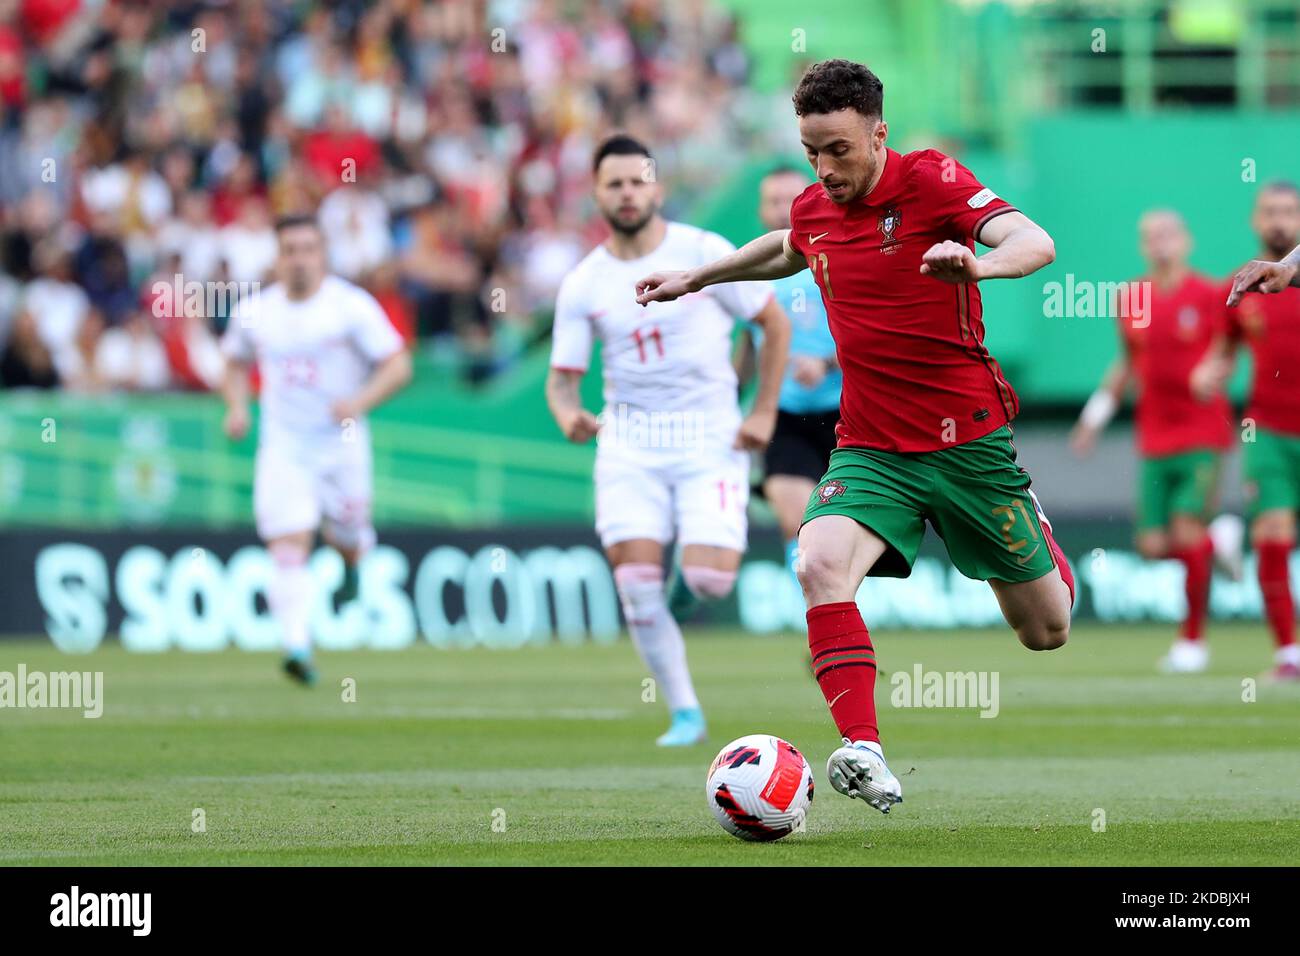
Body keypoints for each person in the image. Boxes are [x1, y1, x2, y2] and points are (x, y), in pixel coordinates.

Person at [634, 60, 1073, 813]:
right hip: (870, 447)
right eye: (811, 150)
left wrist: (980, 263)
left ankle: (1033, 526)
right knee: (817, 563)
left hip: (967, 444)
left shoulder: (932, 180)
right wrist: (699, 279)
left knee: (1046, 630)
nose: (824, 167)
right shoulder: (815, 207)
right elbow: (785, 247)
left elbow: (1036, 241)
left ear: (879, 133)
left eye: (838, 149)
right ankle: (864, 748)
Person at [545, 134, 791, 747]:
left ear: (656, 188)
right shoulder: (584, 283)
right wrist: (568, 412)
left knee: (710, 581)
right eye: (614, 184)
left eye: (638, 181)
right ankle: (685, 711)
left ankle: (681, 597)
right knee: (634, 585)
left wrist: (761, 411)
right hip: (629, 440)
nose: (628, 194)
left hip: (708, 434)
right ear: (596, 193)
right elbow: (561, 381)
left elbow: (771, 322)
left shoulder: (703, 252)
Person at [221, 214, 412, 685]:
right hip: (284, 447)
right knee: (289, 539)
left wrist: (359, 402)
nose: (299, 260)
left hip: (342, 446)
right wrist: (237, 407)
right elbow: (232, 362)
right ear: (277, 257)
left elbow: (398, 364)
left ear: (322, 254)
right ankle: (297, 645)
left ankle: (350, 564)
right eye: (290, 250)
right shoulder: (256, 312)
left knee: (347, 535)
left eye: (308, 249)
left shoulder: (350, 307)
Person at [1070, 210, 1241, 673]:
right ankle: (1217, 541)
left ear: (1185, 240)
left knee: (1185, 531)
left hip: (1203, 432)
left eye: (1167, 234)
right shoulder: (1133, 297)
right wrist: (1094, 417)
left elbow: (1231, 343)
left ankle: (1192, 642)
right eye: (1150, 237)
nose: (1160, 243)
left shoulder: (1210, 293)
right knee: (1150, 545)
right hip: (1155, 435)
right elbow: (1127, 362)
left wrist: (1214, 365)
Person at [1198, 182, 1300, 680]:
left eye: (1288, 211)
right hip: (1270, 430)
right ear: (1255, 221)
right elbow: (1223, 349)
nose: (1279, 221)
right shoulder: (1241, 284)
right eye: (1270, 212)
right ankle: (1288, 653)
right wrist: (1209, 369)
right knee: (1274, 537)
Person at [735, 167, 841, 586]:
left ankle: (842, 607)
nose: (782, 209)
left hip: (845, 415)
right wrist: (729, 405)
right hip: (782, 415)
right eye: (773, 201)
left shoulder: (837, 258)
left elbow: (873, 334)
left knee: (837, 534)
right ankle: (817, 625)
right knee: (796, 526)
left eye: (790, 199)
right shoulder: (750, 271)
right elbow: (746, 351)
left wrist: (827, 364)